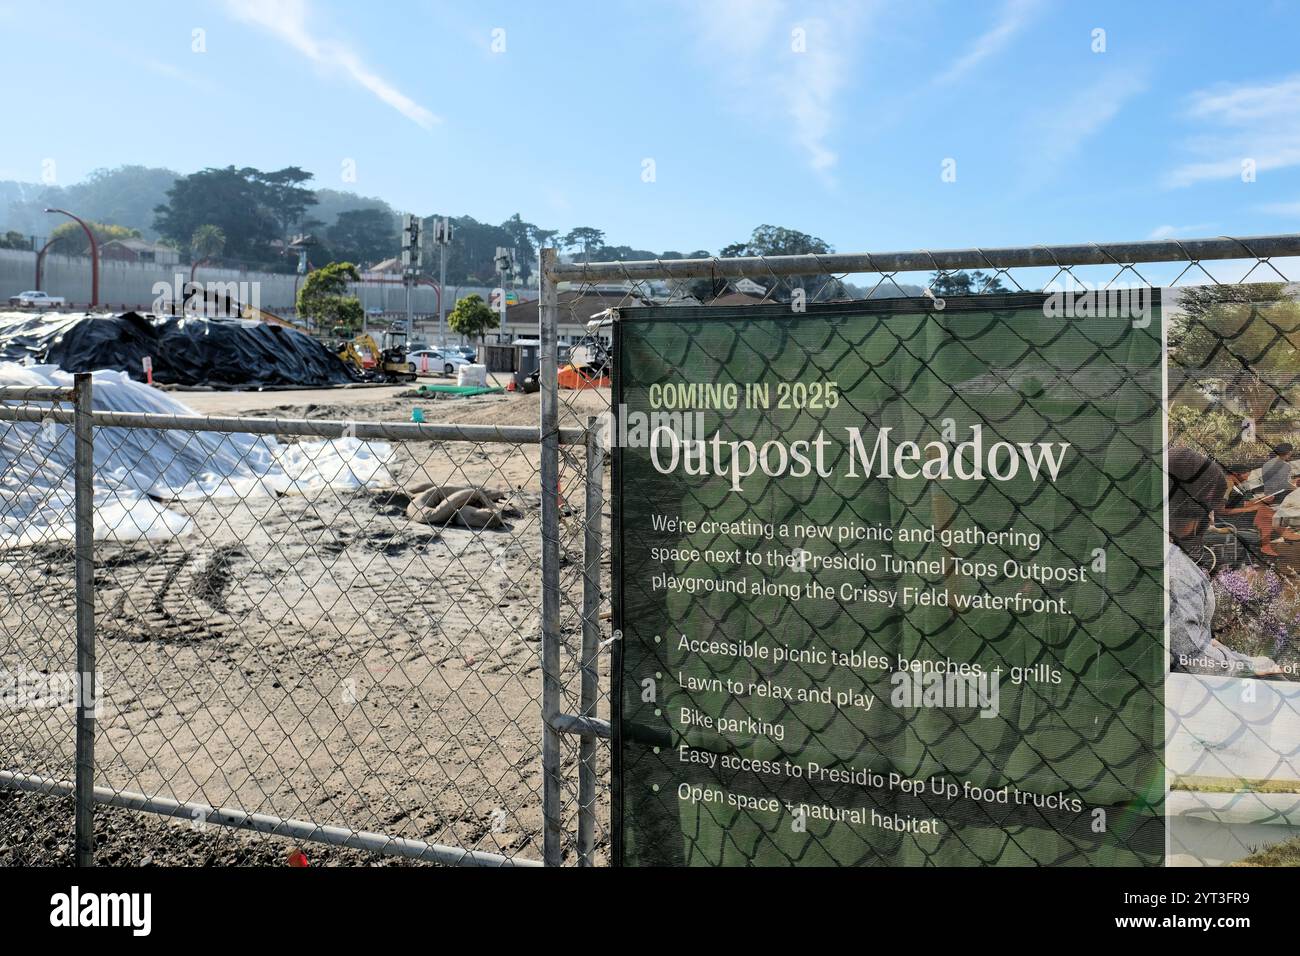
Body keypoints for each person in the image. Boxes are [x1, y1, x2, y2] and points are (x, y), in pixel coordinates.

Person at [1168, 447, 1282, 677]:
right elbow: (1193, 660)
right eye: (1207, 510)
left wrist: (1207, 646)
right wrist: (1248, 664)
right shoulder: (1175, 571)